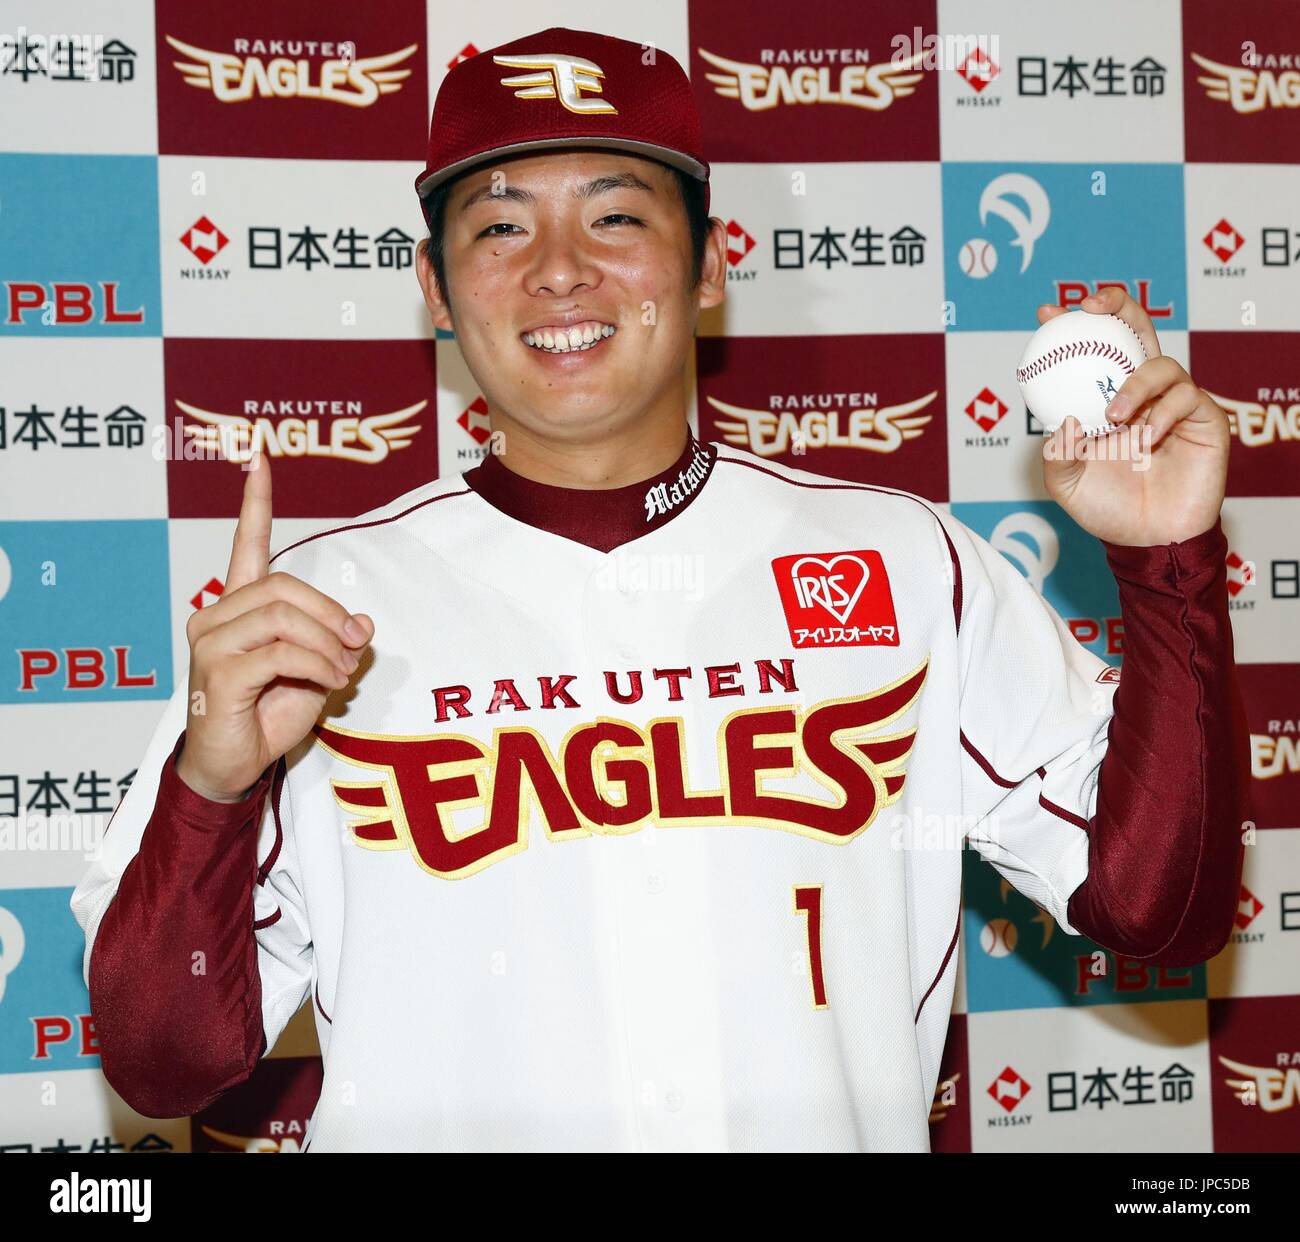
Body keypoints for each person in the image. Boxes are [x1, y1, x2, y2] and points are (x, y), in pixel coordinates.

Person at [71, 26, 1251, 1153]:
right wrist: (213, 787)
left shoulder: (904, 563)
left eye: (617, 215)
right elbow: (165, 1066)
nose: (560, 271)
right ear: (433, 287)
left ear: (709, 269)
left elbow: (1162, 912)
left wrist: (1168, 567)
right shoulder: (305, 616)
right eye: (498, 229)